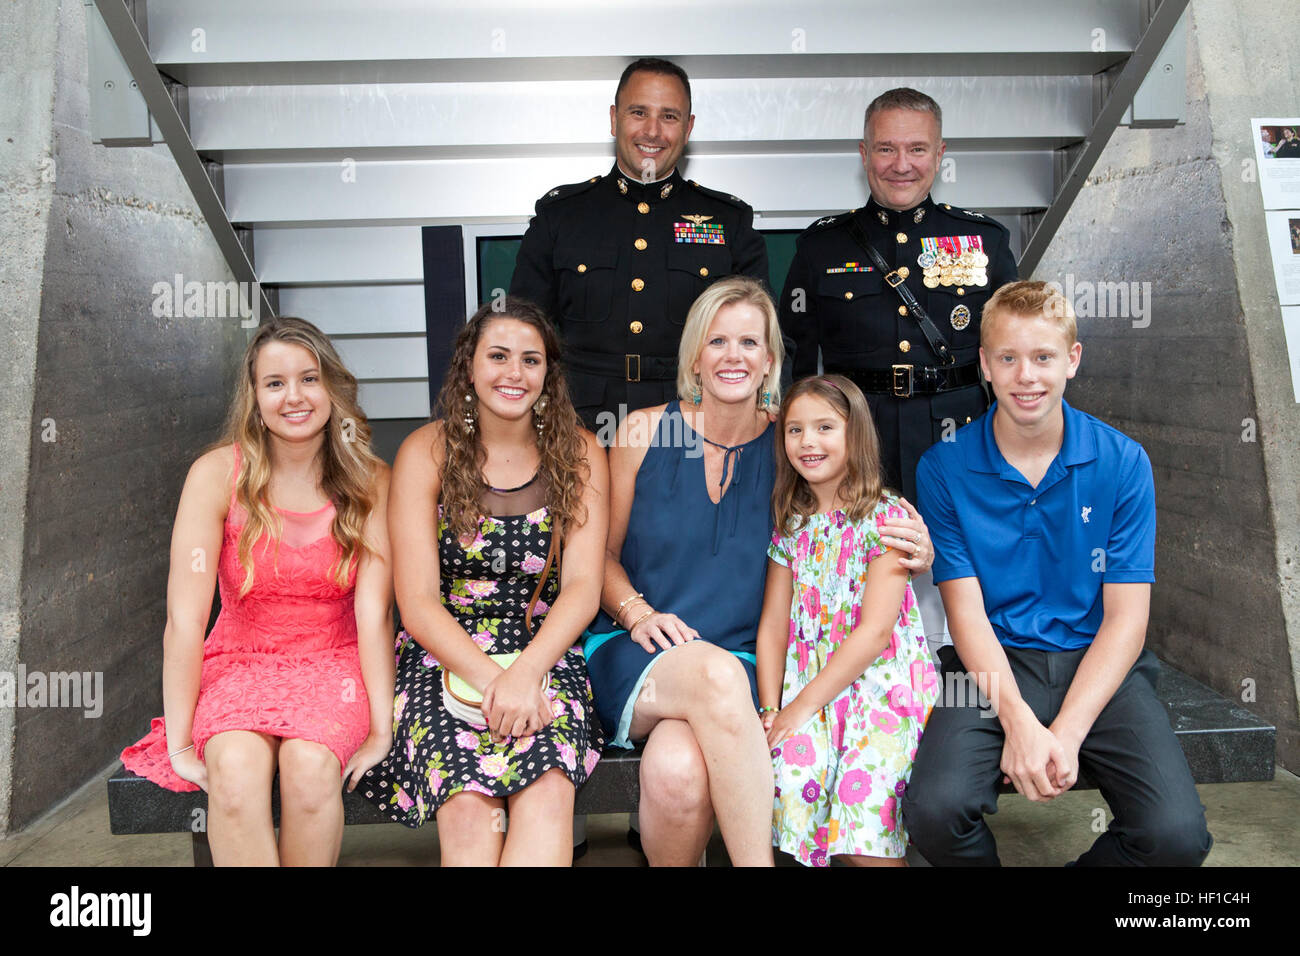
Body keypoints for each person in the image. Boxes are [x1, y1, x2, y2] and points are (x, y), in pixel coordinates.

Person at [585, 276, 937, 866]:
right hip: (639, 647)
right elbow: (598, 554)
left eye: (750, 343)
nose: (733, 356)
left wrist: (917, 543)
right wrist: (633, 610)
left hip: (748, 662)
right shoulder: (641, 432)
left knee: (676, 773)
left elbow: (853, 509)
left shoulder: (790, 442)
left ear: (770, 358)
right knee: (710, 683)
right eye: (717, 341)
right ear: (695, 355)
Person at [904, 280, 1213, 866]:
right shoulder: (944, 467)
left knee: (1175, 837)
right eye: (1009, 358)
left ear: (1072, 359)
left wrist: (1066, 732)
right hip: (987, 664)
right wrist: (1019, 723)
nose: (1027, 376)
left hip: (1098, 658)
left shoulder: (1123, 462)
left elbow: (1126, 620)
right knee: (934, 813)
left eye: (1044, 357)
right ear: (985, 367)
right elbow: (964, 615)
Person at [120, 317, 395, 866]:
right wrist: (178, 741)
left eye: (309, 379)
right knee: (236, 772)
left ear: (333, 387)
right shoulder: (216, 474)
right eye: (275, 383)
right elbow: (185, 619)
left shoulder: (371, 480)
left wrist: (381, 732)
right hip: (239, 663)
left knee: (312, 769)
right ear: (255, 396)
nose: (293, 397)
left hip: (333, 665)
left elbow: (374, 616)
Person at [359, 297, 608, 866]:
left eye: (531, 359)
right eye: (498, 356)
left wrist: (523, 674)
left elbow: (582, 588)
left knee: (546, 793)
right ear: (469, 367)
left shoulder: (581, 452)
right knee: (468, 803)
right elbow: (417, 602)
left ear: (549, 373)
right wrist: (493, 680)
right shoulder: (426, 451)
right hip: (441, 654)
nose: (514, 373)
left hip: (544, 654)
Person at [778, 87, 1018, 503]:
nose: (901, 165)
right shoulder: (821, 247)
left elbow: (1013, 352)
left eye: (917, 149)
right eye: (886, 148)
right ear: (864, 153)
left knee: (955, 562)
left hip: (960, 438)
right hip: (855, 442)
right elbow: (791, 360)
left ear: (940, 154)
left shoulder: (985, 241)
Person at [510, 57, 768, 432]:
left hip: (693, 418)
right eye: (638, 112)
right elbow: (522, 329)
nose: (653, 131)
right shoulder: (562, 216)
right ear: (614, 118)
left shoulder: (729, 221)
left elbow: (768, 332)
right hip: (577, 421)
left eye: (669, 116)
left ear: (688, 127)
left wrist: (766, 406)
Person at [757, 375, 938, 867]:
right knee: (791, 778)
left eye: (824, 427)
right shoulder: (790, 522)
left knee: (863, 804)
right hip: (807, 683)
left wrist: (798, 709)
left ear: (855, 434)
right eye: (794, 430)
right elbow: (774, 625)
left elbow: (876, 633)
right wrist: (774, 708)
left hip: (879, 685)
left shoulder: (887, 518)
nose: (807, 442)